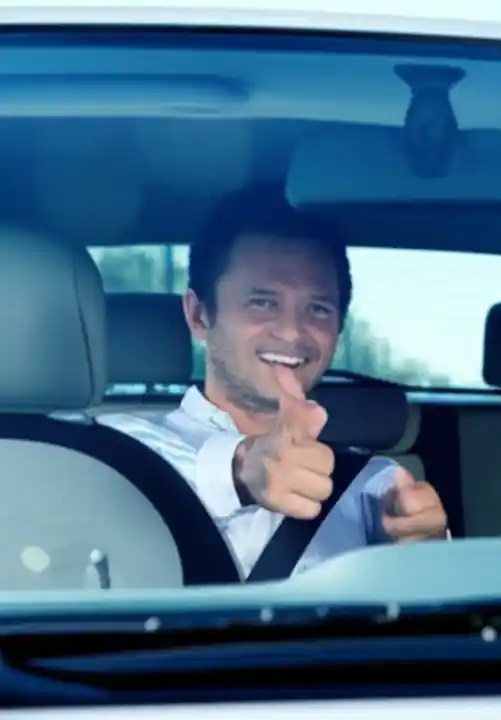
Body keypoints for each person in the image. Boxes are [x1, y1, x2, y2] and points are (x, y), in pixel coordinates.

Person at [99, 186, 448, 578]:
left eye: (317, 308)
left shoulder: (374, 486)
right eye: (262, 302)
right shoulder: (109, 449)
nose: (291, 331)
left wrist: (428, 549)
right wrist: (238, 471)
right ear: (199, 315)